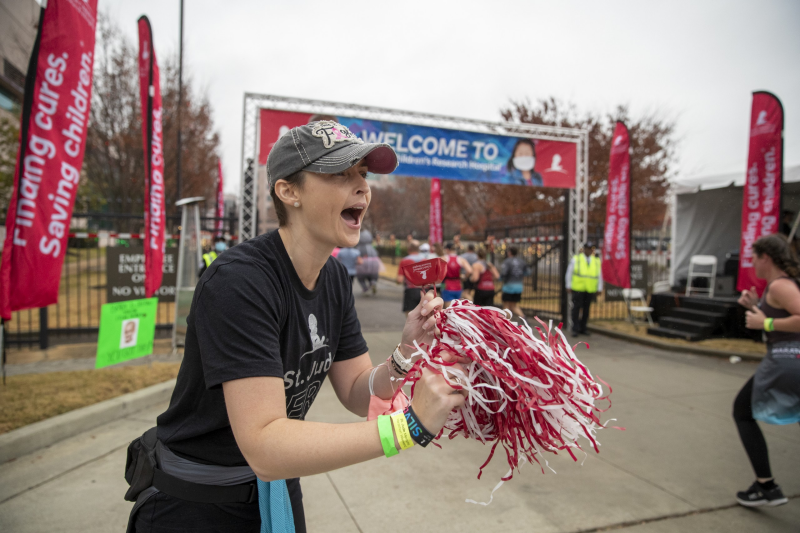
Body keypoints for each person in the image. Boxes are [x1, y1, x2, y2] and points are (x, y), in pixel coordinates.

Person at [128, 122, 467, 533]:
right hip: (196, 504)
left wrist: (405, 354)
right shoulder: (241, 281)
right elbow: (266, 444)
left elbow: (357, 390)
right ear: (289, 191)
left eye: (363, 173)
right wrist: (407, 427)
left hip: (276, 492)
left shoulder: (336, 279)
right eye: (341, 173)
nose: (362, 187)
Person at [733, 234, 800, 507]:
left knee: (742, 411)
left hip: (787, 363)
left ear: (766, 258)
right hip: (788, 362)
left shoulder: (781, 286)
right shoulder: (778, 287)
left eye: (754, 258)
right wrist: (754, 306)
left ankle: (766, 485)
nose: (752, 264)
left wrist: (767, 323)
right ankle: (766, 485)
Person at [565, 242, 602, 336]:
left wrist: (599, 288)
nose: (589, 251)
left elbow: (599, 275)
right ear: (584, 249)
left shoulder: (596, 261)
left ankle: (583, 327)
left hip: (590, 289)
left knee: (586, 309)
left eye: (591, 249)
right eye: (587, 248)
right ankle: (575, 328)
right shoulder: (576, 259)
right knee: (576, 309)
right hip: (578, 288)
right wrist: (568, 285)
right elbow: (569, 272)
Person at [397, 241, 425, 315]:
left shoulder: (404, 261)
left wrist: (397, 282)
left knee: (410, 316)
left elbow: (399, 279)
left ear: (409, 249)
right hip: (424, 291)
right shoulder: (425, 260)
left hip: (410, 291)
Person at [500, 246, 527, 320]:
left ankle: (506, 321)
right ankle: (523, 317)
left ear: (509, 252)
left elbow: (504, 273)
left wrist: (500, 278)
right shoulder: (521, 261)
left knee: (506, 305)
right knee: (513, 305)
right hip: (519, 287)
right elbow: (527, 272)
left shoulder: (507, 261)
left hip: (509, 287)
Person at [442, 242, 472, 306]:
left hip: (447, 285)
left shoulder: (444, 258)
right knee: (457, 308)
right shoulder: (461, 259)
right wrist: (464, 277)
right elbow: (469, 270)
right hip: (458, 285)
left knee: (448, 310)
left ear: (447, 249)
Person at [355, 229, 381, 294]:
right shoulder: (372, 248)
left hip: (362, 266)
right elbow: (376, 254)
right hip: (373, 265)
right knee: (373, 276)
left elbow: (357, 256)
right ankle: (373, 282)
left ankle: (365, 288)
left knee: (360, 278)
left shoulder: (359, 248)